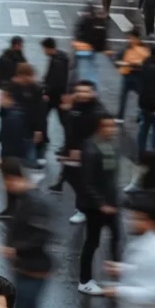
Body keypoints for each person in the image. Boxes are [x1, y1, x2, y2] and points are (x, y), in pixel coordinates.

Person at [0, 159, 54, 308]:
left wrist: (14, 249)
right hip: (25, 267)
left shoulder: (34, 201)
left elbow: (42, 235)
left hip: (34, 268)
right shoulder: (25, 198)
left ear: (13, 179)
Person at [50, 81, 105, 225]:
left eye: (86, 91)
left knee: (84, 182)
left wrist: (81, 150)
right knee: (73, 178)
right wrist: (68, 149)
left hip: (89, 153)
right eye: (79, 91)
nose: (82, 94)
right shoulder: (75, 108)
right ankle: (90, 204)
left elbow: (98, 136)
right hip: (74, 151)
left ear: (94, 93)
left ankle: (83, 209)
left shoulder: (97, 112)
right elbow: (71, 129)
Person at [78, 114, 120, 296]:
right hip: (96, 207)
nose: (110, 130)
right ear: (98, 128)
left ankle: (115, 274)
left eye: (112, 126)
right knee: (92, 242)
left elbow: (109, 176)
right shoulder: (91, 149)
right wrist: (101, 204)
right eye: (106, 126)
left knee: (117, 236)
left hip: (109, 203)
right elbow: (87, 182)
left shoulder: (108, 145)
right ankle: (84, 281)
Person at [0, 36, 25, 157]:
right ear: (16, 45)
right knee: (9, 123)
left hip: (18, 93)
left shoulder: (20, 57)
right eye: (20, 45)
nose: (21, 47)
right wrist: (8, 87)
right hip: (9, 95)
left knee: (14, 123)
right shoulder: (4, 59)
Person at [115, 28, 149, 122]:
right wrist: (119, 63)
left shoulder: (143, 50)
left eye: (132, 38)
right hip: (127, 74)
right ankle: (120, 116)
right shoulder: (128, 48)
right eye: (129, 38)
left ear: (137, 39)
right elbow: (119, 58)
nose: (130, 40)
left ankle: (140, 116)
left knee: (141, 97)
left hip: (138, 76)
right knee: (123, 96)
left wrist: (130, 64)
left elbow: (144, 62)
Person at [137, 44, 155, 157]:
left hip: (146, 105)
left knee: (144, 130)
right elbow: (152, 90)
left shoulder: (147, 66)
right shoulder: (154, 69)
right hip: (152, 107)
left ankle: (142, 153)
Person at [40, 37, 69, 135]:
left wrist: (46, 92)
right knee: (63, 120)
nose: (43, 51)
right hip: (59, 94)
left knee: (44, 116)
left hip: (55, 96)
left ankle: (43, 138)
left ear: (48, 48)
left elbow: (57, 80)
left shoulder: (56, 61)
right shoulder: (61, 56)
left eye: (44, 49)